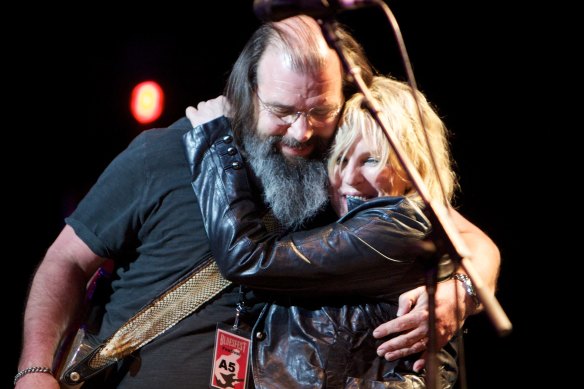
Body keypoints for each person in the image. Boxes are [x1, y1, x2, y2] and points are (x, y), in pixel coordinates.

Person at [16, 15, 498, 389]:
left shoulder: (346, 169)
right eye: (282, 111)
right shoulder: (166, 153)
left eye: (320, 111)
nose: (302, 131)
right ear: (247, 93)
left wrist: (463, 291)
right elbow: (66, 263)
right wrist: (34, 368)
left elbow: (460, 234)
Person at [185, 73, 490, 387]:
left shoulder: (402, 224)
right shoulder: (358, 224)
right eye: (340, 159)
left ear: (413, 165)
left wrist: (214, 143)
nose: (350, 178)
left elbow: (248, 257)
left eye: (371, 160)